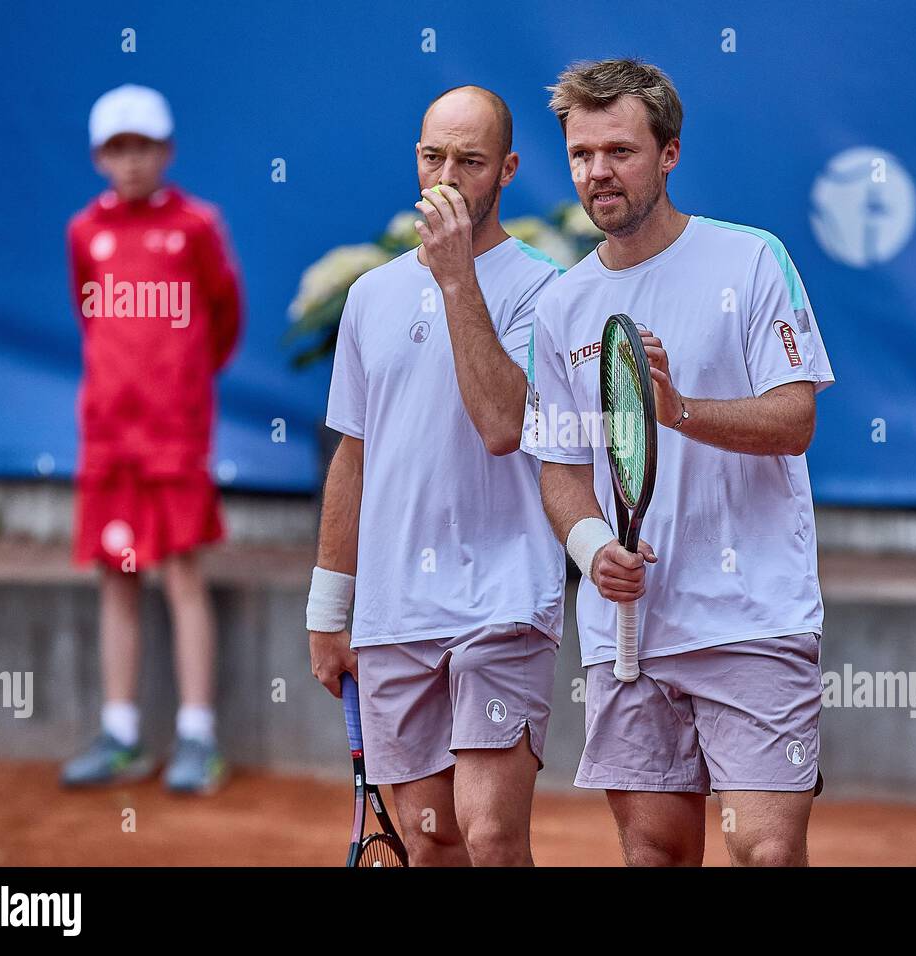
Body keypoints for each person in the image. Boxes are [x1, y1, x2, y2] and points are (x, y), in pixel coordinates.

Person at [525, 59, 834, 866]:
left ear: (668, 154)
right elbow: (560, 468)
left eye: (620, 151)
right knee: (655, 856)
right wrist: (595, 552)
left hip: (753, 617)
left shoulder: (752, 261)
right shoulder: (559, 307)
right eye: (582, 154)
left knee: (765, 853)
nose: (599, 172)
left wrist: (680, 411)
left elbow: (795, 418)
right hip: (631, 633)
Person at [306, 86, 565, 866]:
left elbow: (502, 425)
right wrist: (329, 606)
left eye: (471, 161)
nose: (447, 177)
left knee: (489, 835)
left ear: (509, 170)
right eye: (433, 157)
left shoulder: (547, 292)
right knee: (434, 844)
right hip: (394, 612)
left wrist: (457, 279)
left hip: (504, 598)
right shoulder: (369, 297)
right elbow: (354, 453)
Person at [60, 84, 242, 795]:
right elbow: (92, 318)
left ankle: (198, 735)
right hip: (107, 437)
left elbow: (223, 318)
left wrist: (180, 385)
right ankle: (121, 733)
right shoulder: (84, 232)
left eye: (143, 147)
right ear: (99, 158)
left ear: (165, 152)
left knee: (181, 574)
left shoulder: (197, 226)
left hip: (174, 437)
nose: (131, 161)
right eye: (117, 148)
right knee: (117, 576)